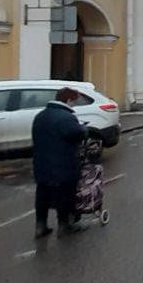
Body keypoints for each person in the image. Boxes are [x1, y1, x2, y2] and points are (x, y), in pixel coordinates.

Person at [32, 87, 87, 238]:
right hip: (63, 164)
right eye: (74, 102)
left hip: (41, 164)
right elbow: (75, 134)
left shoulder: (40, 116)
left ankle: (40, 226)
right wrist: (83, 129)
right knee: (65, 195)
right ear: (68, 100)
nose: (74, 105)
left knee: (42, 194)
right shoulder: (66, 117)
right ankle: (64, 225)